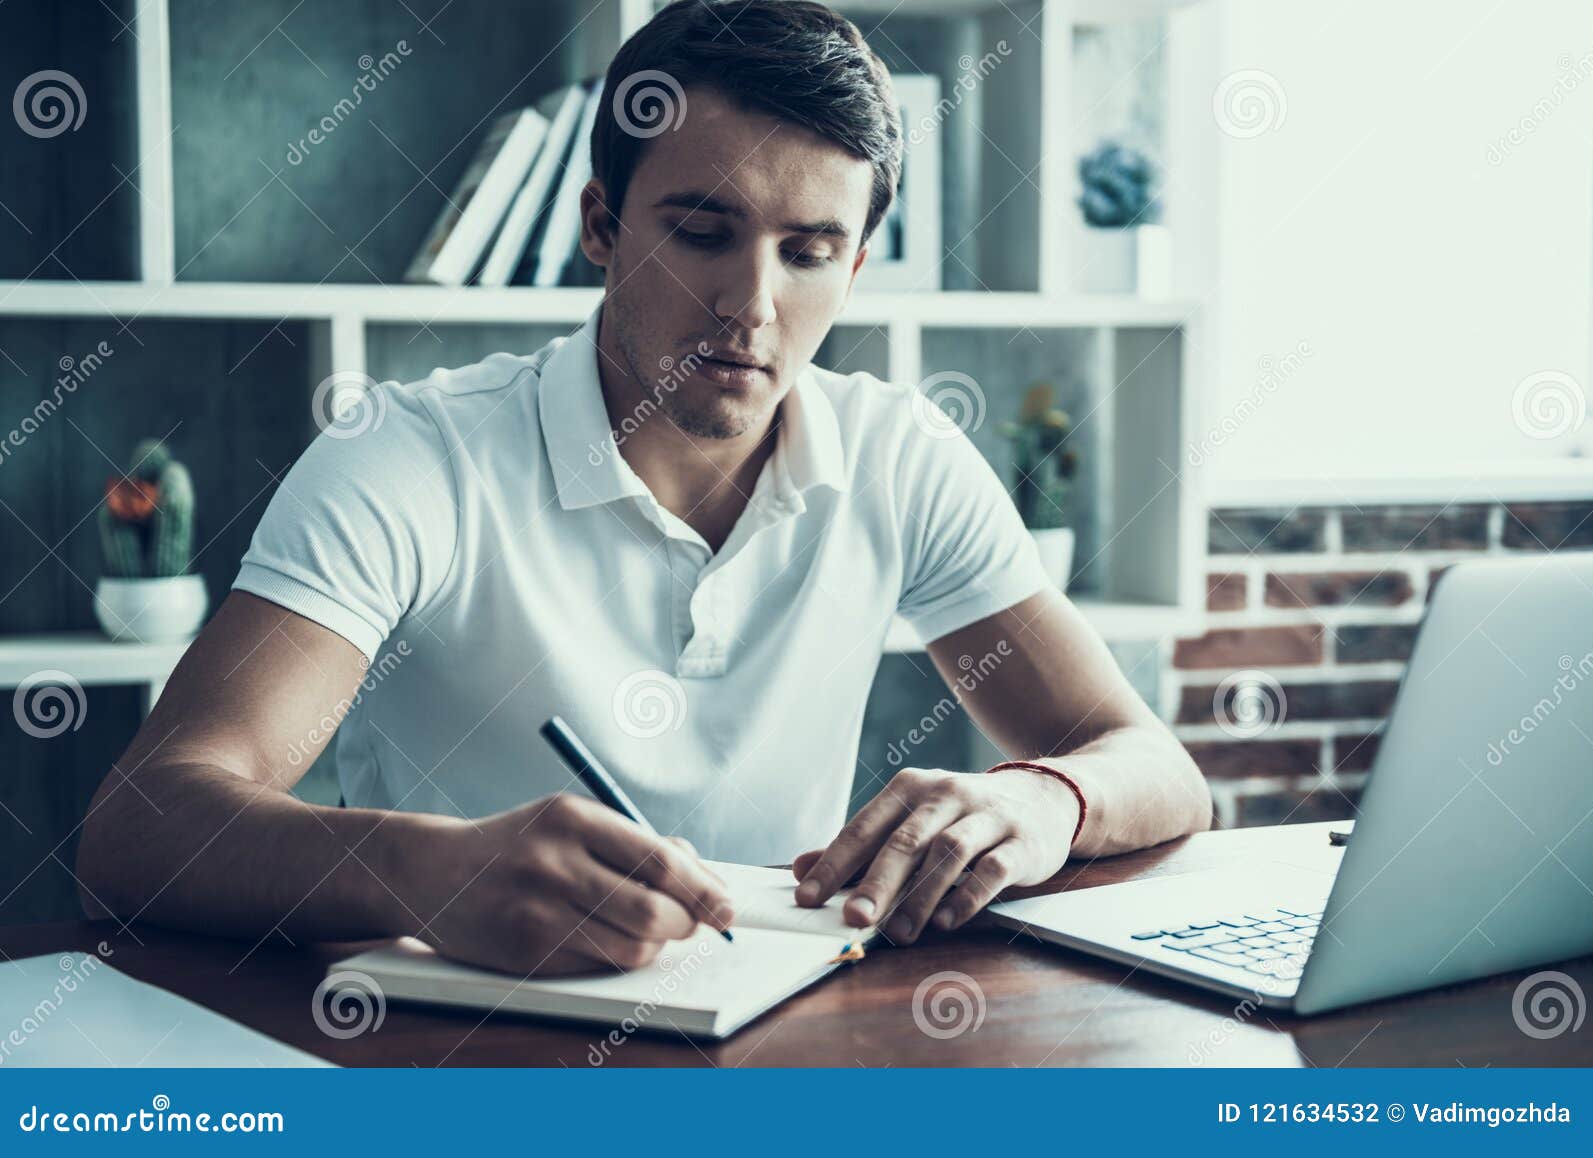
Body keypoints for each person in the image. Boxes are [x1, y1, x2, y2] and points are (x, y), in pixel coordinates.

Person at [76, 0, 1210, 977]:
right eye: (703, 232)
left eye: (808, 253)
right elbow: (141, 827)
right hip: (465, 1044)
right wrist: (424, 870)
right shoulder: (412, 456)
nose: (751, 305)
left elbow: (1154, 766)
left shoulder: (901, 455)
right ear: (601, 228)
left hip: (777, 1027)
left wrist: (1042, 798)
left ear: (855, 269)